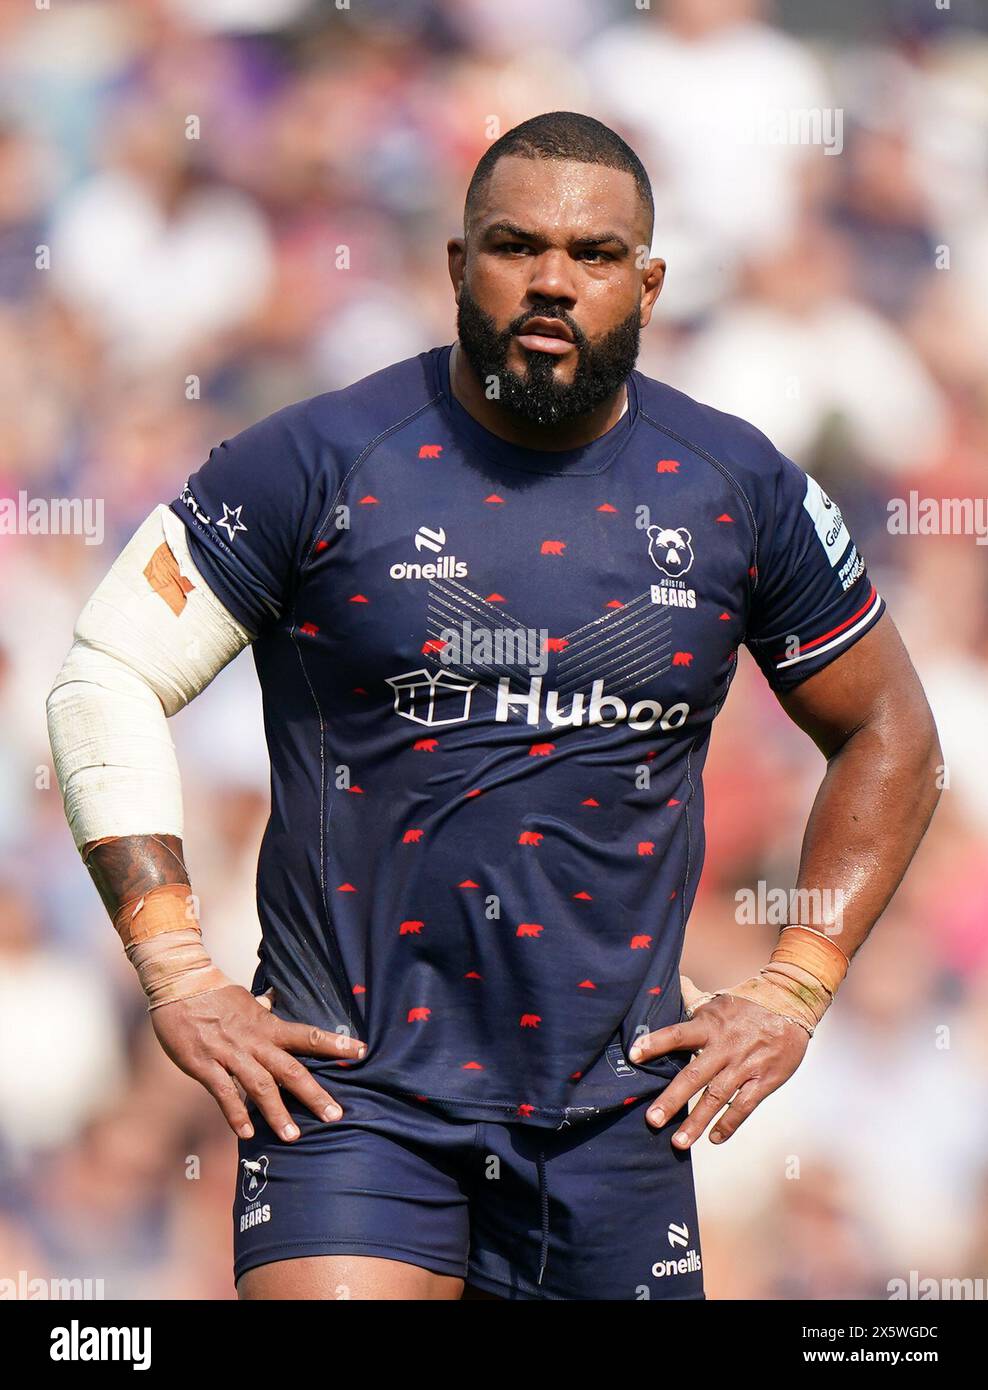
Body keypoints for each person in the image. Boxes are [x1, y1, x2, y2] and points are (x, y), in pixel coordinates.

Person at [47, 112, 941, 1301]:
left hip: (619, 1107)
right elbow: (107, 670)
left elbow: (893, 732)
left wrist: (792, 987)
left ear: (650, 279)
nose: (554, 282)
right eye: (516, 245)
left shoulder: (738, 487)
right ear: (458, 265)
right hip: (348, 1091)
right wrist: (178, 972)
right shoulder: (316, 458)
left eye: (595, 255)